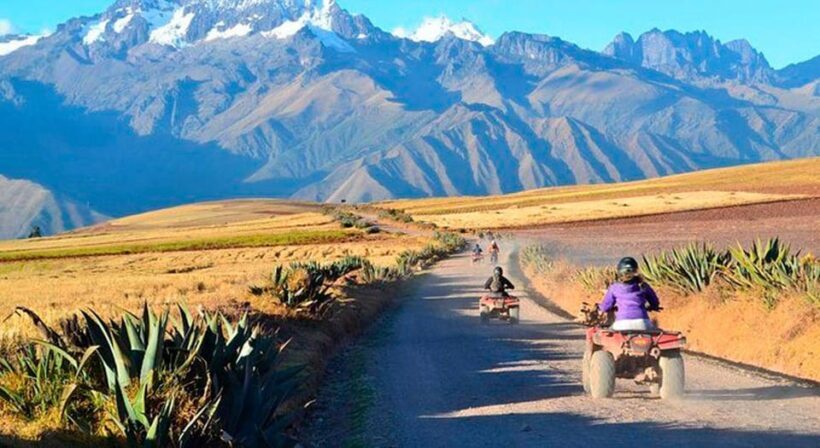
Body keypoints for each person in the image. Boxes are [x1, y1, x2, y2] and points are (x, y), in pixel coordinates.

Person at [598, 257, 660, 331]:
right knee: (655, 331)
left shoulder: (614, 287)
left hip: (622, 324)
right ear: (636, 271)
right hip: (643, 324)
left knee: (609, 331)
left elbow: (605, 307)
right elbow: (655, 303)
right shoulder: (643, 285)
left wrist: (601, 308)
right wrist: (653, 306)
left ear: (619, 272)